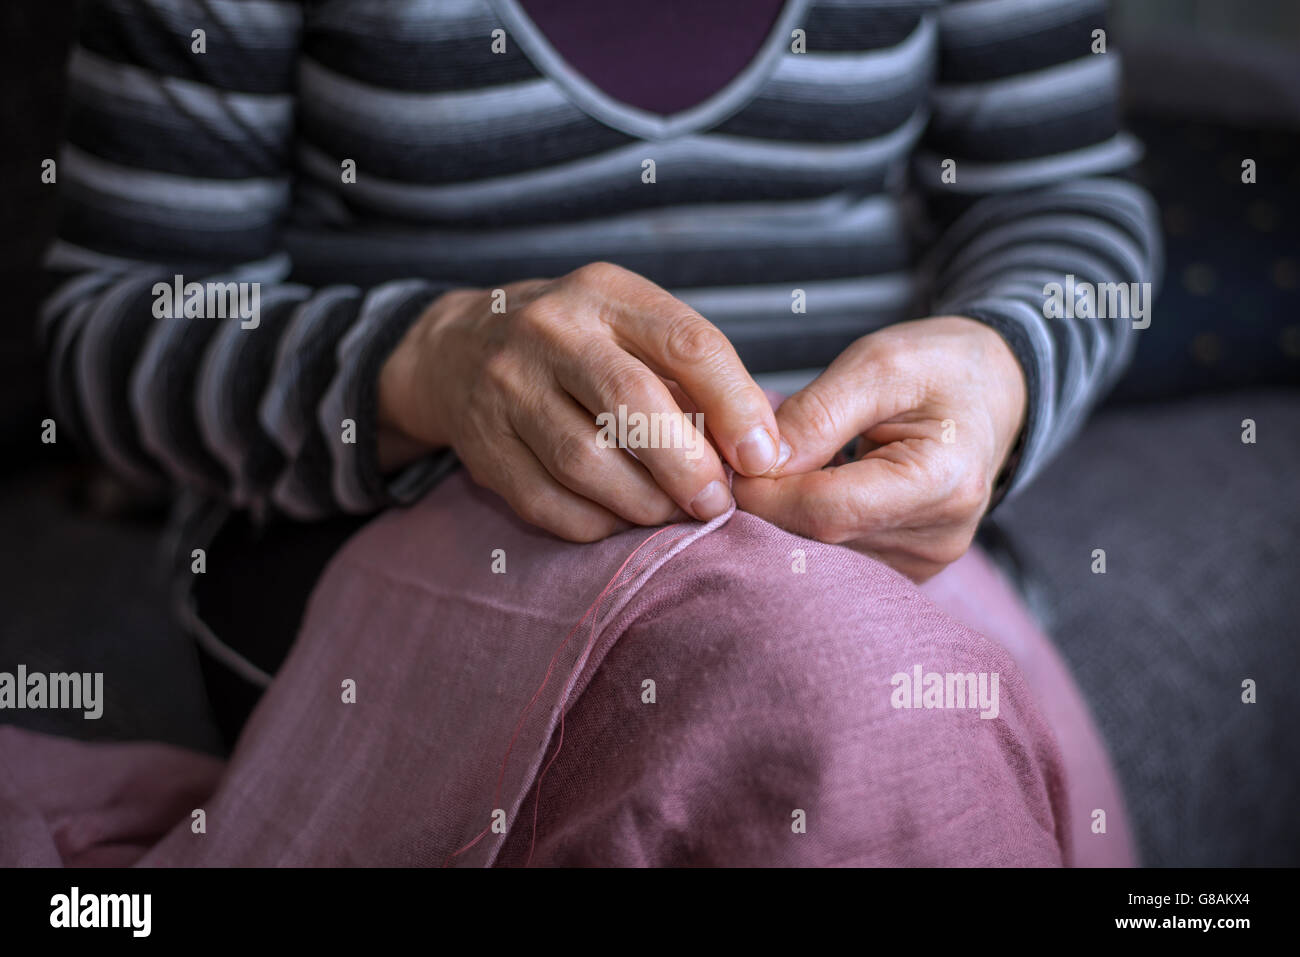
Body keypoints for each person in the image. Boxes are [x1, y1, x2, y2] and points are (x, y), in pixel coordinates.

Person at [35, 0, 1159, 865]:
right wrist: (427, 362)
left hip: (863, 535)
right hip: (381, 519)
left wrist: (1001, 363)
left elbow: (1058, 199)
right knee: (832, 681)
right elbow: (111, 328)